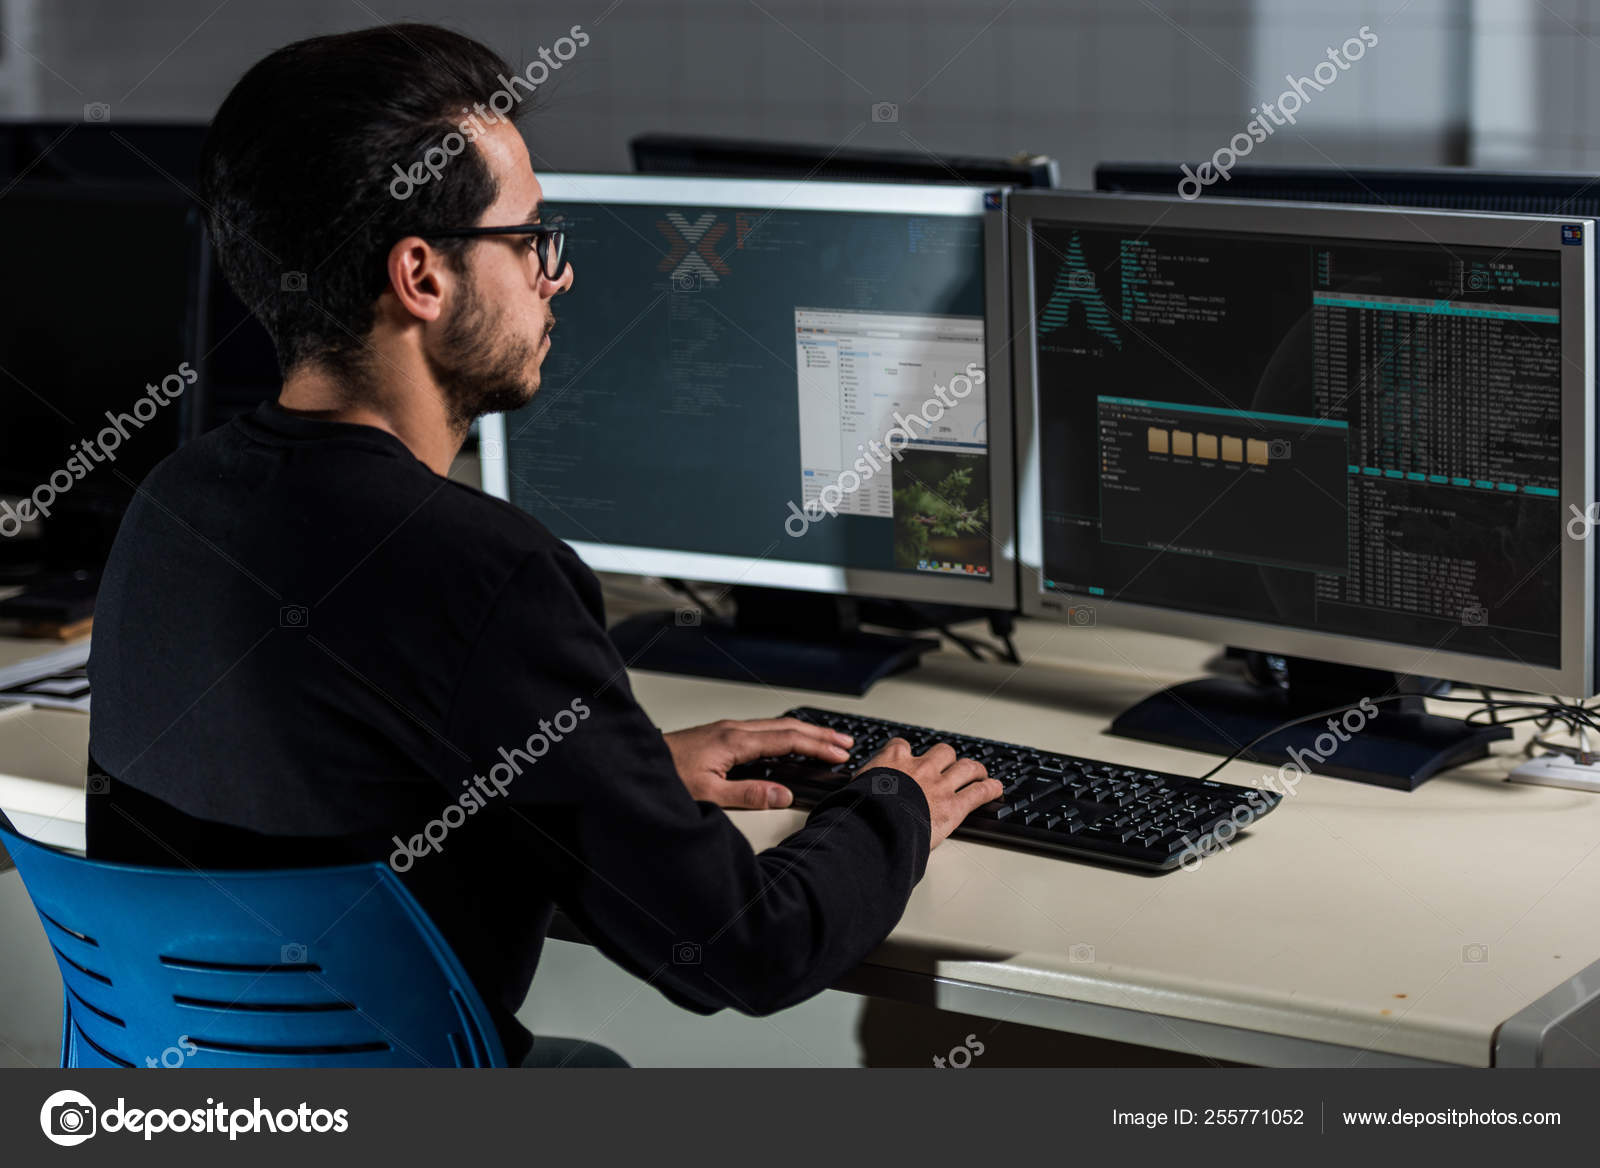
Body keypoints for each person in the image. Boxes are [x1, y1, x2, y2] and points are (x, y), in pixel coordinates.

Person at [85, 23, 997, 1068]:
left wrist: (618, 776)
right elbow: (745, 951)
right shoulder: (483, 568)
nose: (555, 279)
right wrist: (896, 808)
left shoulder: (174, 500)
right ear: (421, 278)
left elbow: (314, 801)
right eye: (529, 243)